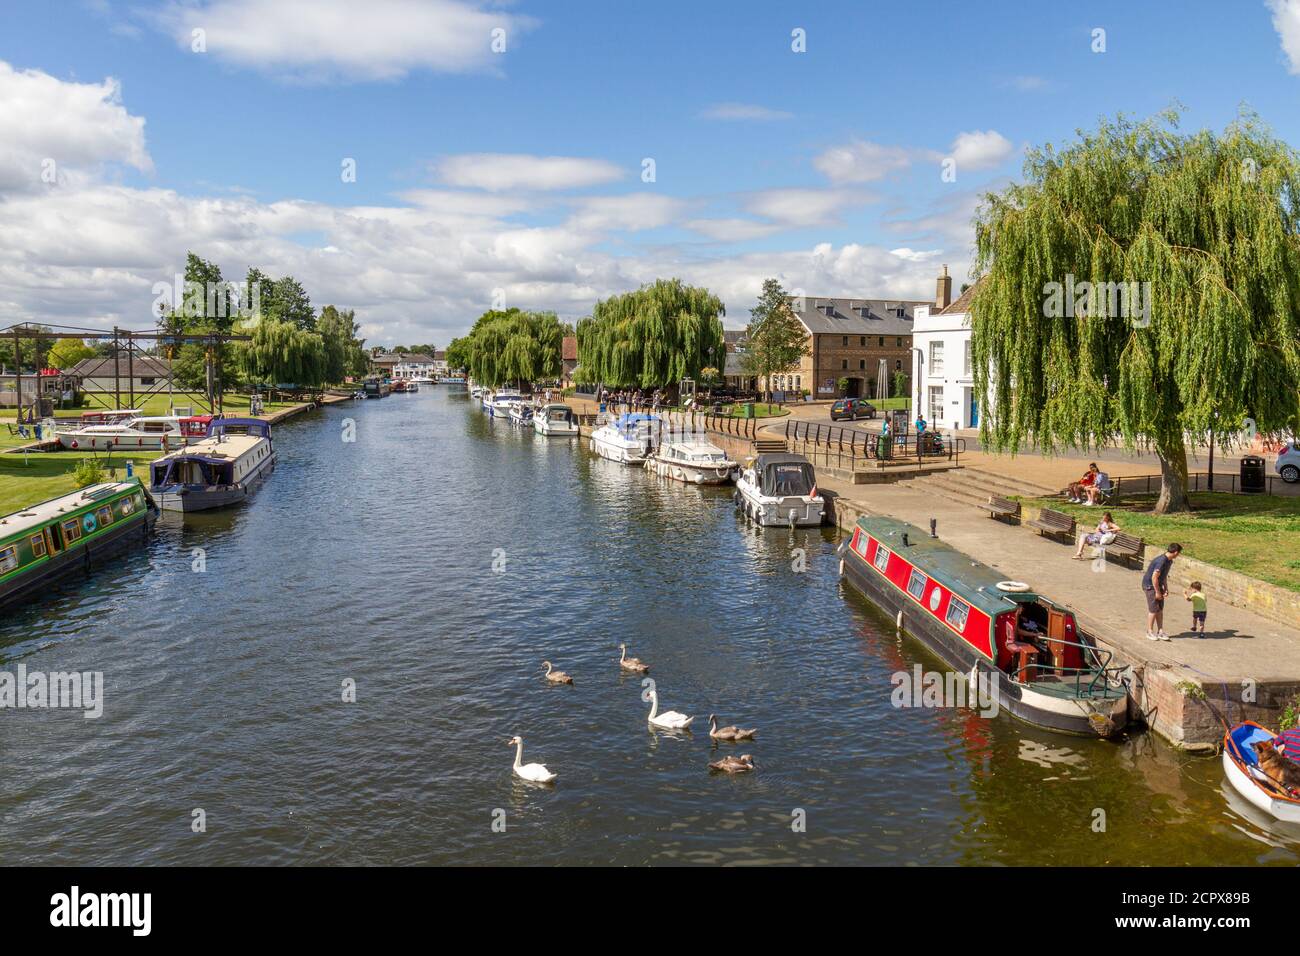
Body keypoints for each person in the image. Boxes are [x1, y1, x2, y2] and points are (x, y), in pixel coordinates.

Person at [1142, 543, 1182, 641]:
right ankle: (1149, 631)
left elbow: (1163, 576)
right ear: (1176, 552)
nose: (1179, 555)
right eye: (1179, 553)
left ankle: (1160, 631)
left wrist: (1166, 588)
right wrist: (1157, 592)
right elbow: (1154, 577)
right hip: (1150, 586)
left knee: (1159, 609)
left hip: (1158, 585)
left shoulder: (1169, 561)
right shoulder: (1161, 561)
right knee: (1153, 609)